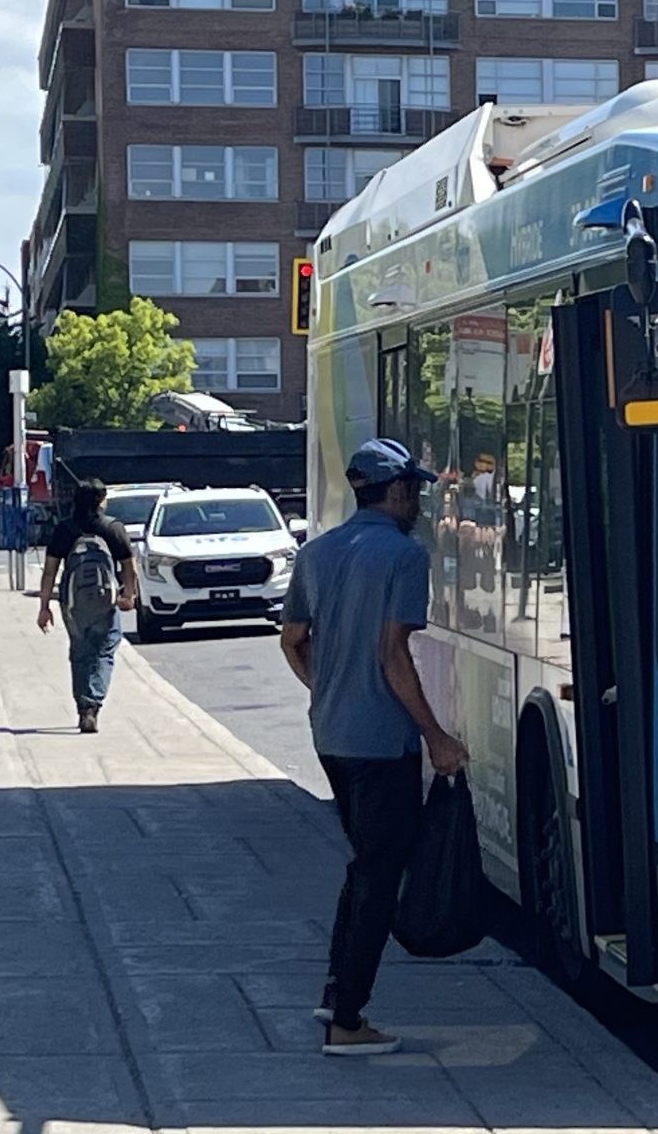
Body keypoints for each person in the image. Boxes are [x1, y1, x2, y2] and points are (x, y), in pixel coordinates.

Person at [279, 438, 469, 1057]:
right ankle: (349, 1019)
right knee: (381, 875)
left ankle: (336, 992)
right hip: (383, 742)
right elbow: (394, 655)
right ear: (395, 492)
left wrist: (329, 688)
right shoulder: (403, 557)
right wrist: (436, 737)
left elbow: (293, 641)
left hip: (331, 735)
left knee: (365, 864)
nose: (416, 498)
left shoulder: (316, 554)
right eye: (412, 488)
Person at [37, 479, 140, 733]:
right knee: (105, 649)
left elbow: (50, 571)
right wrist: (129, 595)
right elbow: (129, 566)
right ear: (101, 500)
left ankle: (83, 706)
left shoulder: (65, 529)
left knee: (80, 651)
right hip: (106, 601)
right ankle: (93, 703)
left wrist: (44, 606)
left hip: (72, 601)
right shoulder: (112, 528)